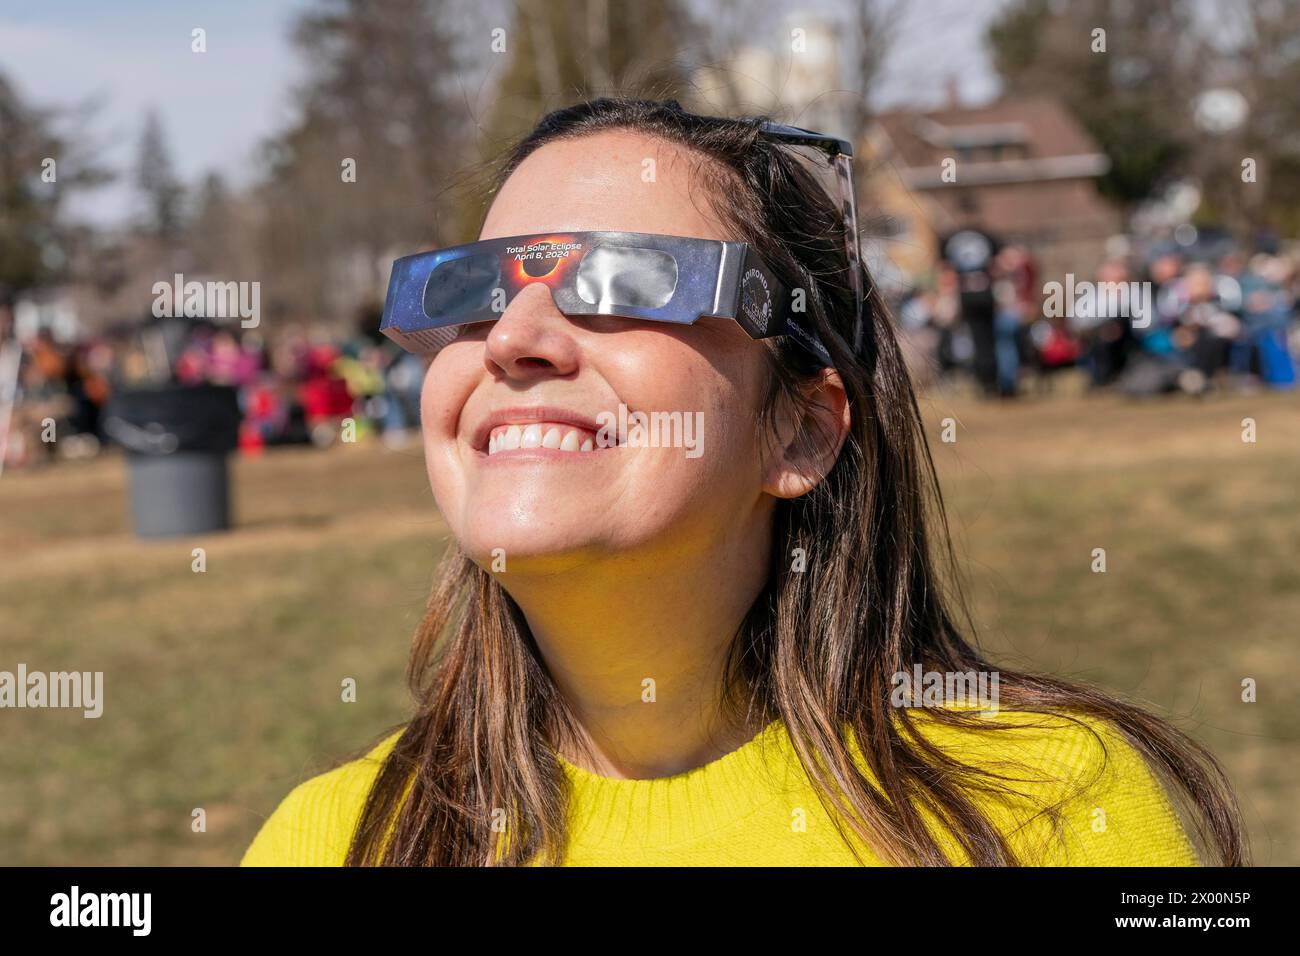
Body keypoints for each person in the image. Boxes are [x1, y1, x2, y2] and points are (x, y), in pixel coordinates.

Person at [241, 98, 1244, 867]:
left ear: (801, 431)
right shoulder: (329, 840)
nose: (513, 337)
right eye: (474, 289)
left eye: (623, 282)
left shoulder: (1051, 807)